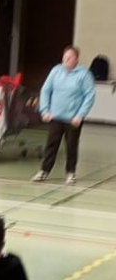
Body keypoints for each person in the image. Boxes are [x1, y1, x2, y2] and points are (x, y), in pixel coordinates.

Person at [34, 46, 95, 185]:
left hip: (73, 119)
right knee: (51, 145)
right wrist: (45, 110)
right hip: (55, 117)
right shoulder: (56, 71)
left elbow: (89, 96)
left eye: (69, 57)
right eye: (64, 57)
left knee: (71, 146)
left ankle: (70, 173)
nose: (65, 60)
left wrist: (80, 115)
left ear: (76, 59)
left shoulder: (84, 74)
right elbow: (45, 90)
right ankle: (44, 171)